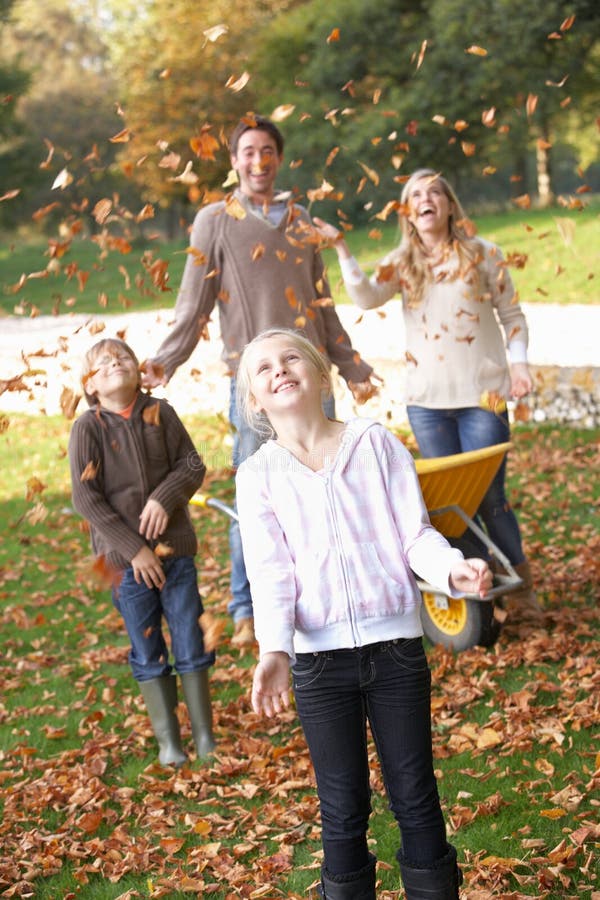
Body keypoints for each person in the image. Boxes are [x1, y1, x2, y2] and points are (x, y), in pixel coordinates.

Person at [234, 328, 493, 899]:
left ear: (321, 373)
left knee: (414, 791)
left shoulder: (374, 443)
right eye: (264, 368)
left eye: (292, 357)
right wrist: (274, 649)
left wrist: (452, 571)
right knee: (343, 804)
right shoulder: (258, 477)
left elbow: (415, 536)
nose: (280, 370)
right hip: (319, 665)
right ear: (254, 398)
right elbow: (272, 574)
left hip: (395, 653)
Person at [142, 114, 377, 648]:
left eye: (267, 150)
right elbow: (192, 304)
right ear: (234, 161)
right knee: (256, 490)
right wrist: (166, 360)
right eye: (248, 151)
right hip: (254, 383)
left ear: (278, 157)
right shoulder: (215, 220)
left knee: (325, 487)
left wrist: (352, 364)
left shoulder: (302, 221)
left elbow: (323, 304)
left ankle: (323, 594)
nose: (258, 160)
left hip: (311, 378)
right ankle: (246, 605)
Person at [313, 168, 543, 623]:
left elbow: (512, 315)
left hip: (485, 398)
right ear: (408, 214)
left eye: (435, 191)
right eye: (415, 194)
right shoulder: (402, 261)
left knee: (490, 498)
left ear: (449, 204)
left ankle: (523, 592)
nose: (425, 198)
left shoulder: (484, 254)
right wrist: (341, 247)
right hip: (427, 405)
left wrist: (519, 366)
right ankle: (480, 588)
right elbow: (364, 297)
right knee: (451, 507)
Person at [69, 337, 216, 767]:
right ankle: (170, 742)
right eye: (103, 362)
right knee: (147, 647)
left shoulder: (160, 412)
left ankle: (205, 736)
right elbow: (86, 498)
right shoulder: (88, 428)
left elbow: (192, 464)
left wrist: (163, 499)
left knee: (189, 636)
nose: (117, 361)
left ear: (139, 370)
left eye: (124, 357)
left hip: (176, 554)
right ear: (91, 386)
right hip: (127, 566)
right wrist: (134, 550)